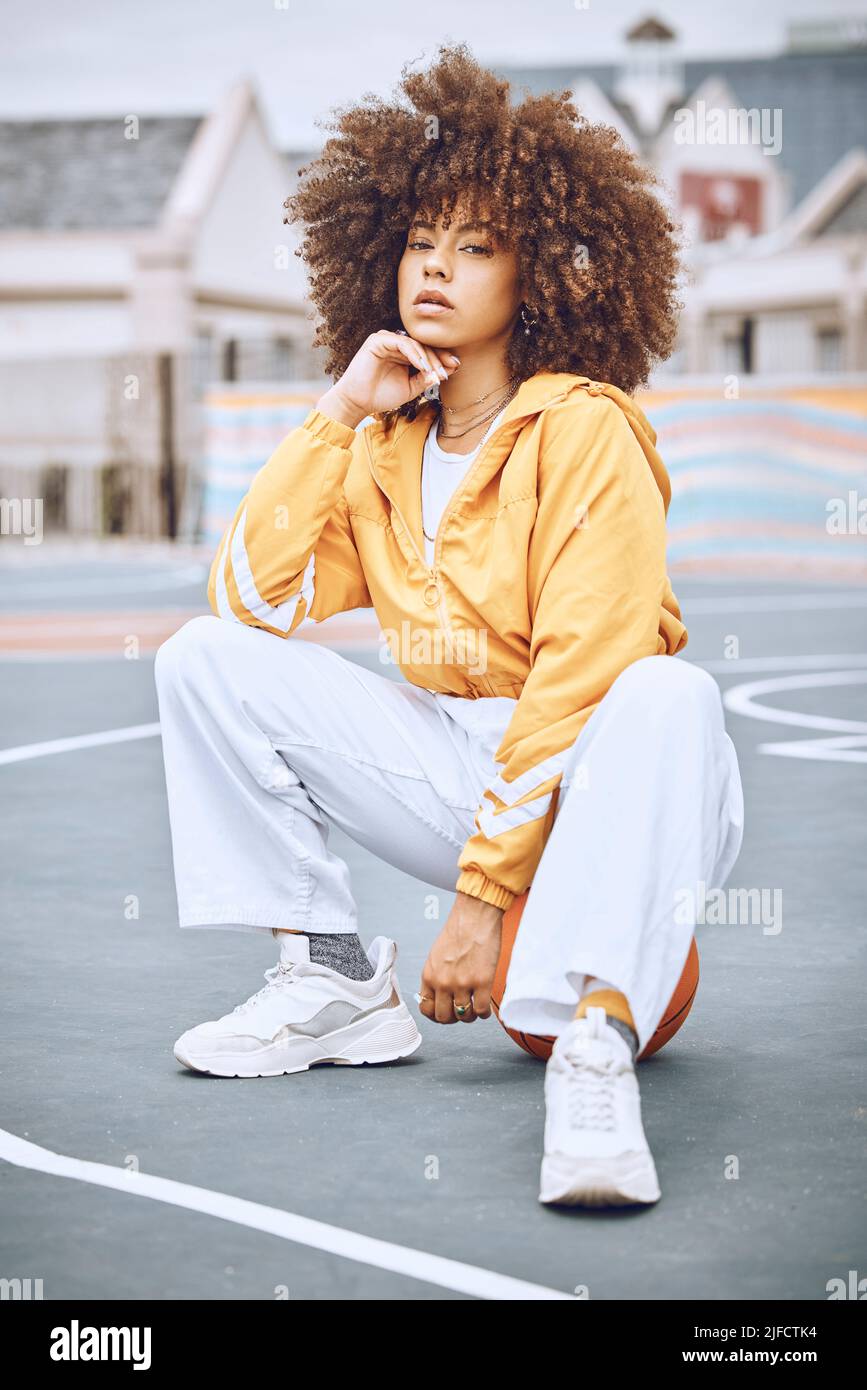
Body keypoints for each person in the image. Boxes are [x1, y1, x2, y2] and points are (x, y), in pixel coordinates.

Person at [153, 43, 744, 1208]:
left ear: (538, 276)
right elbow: (251, 600)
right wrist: (336, 412)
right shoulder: (384, 446)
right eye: (422, 242)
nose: (437, 269)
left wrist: (480, 908)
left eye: (477, 248)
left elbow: (585, 680)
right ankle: (331, 978)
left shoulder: (588, 430)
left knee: (671, 691)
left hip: (613, 779)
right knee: (200, 659)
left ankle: (595, 1053)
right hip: (461, 768)